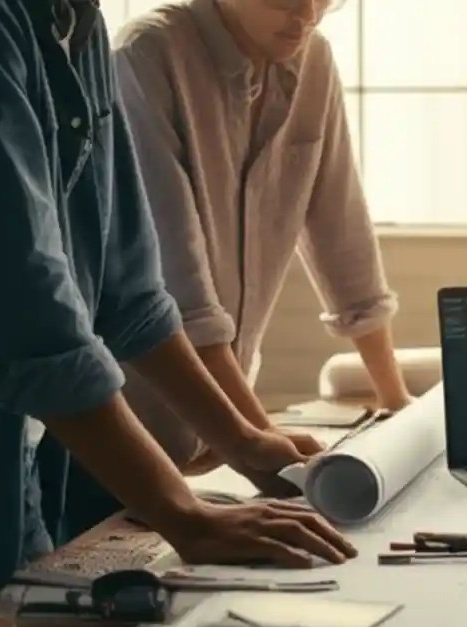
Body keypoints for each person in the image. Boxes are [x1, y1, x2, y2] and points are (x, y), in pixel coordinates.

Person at [0, 0, 356, 611]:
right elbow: (28, 317)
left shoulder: (80, 26)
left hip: (23, 456)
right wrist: (183, 514)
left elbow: (132, 290)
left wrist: (244, 440)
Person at [56, 0, 415, 536]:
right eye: (284, 0)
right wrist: (257, 437)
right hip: (120, 427)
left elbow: (343, 235)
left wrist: (396, 402)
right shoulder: (145, 57)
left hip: (223, 428)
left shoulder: (314, 59)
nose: (307, 16)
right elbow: (176, 288)